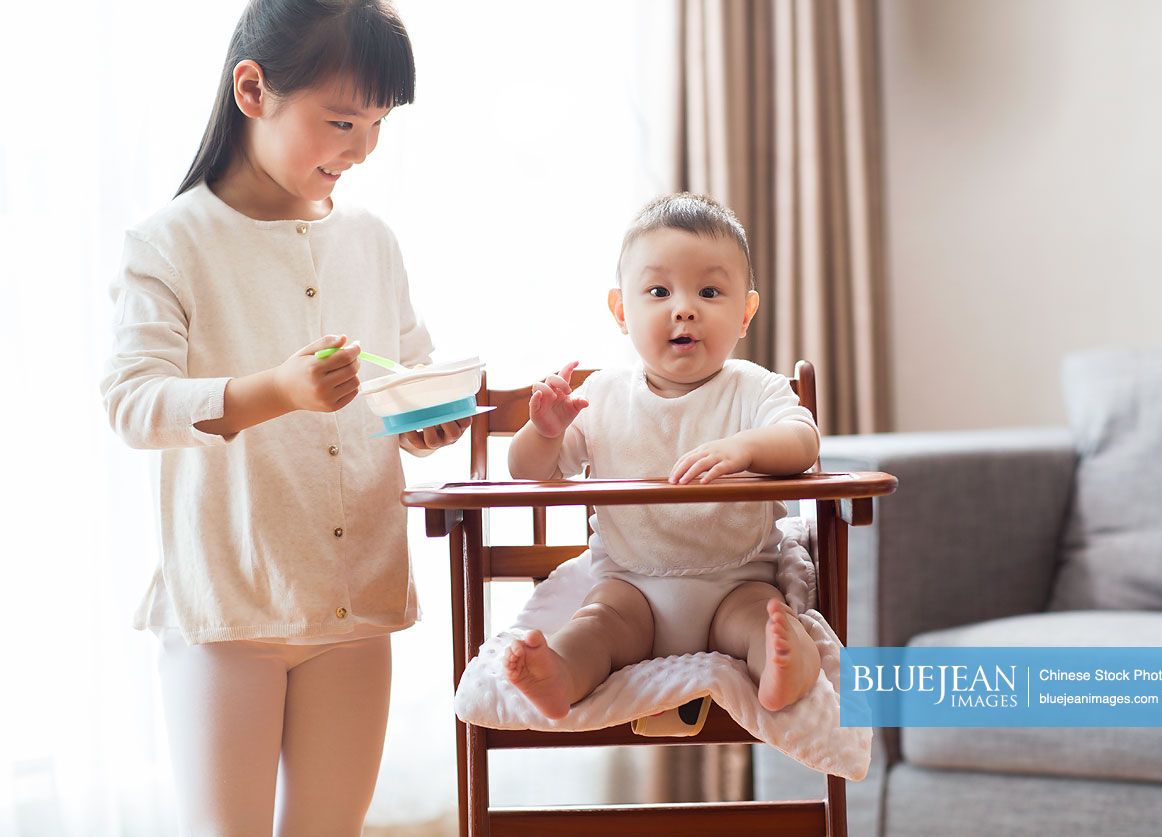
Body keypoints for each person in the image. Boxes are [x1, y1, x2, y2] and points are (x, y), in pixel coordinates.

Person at [100, 1, 467, 832]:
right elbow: (131, 402)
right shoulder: (169, 242)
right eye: (341, 120)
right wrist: (278, 391)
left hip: (354, 602)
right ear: (253, 89)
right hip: (228, 606)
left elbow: (403, 377)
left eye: (376, 123)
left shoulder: (372, 239)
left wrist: (424, 420)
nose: (363, 146)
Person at [505, 192, 822, 720]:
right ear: (622, 311)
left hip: (736, 581)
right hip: (631, 588)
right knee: (595, 625)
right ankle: (558, 674)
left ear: (745, 312)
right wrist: (543, 432)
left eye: (710, 290)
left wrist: (744, 447)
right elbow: (527, 473)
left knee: (767, 623)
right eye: (658, 290)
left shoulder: (753, 388)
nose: (684, 307)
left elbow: (802, 440)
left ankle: (784, 669)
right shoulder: (601, 396)